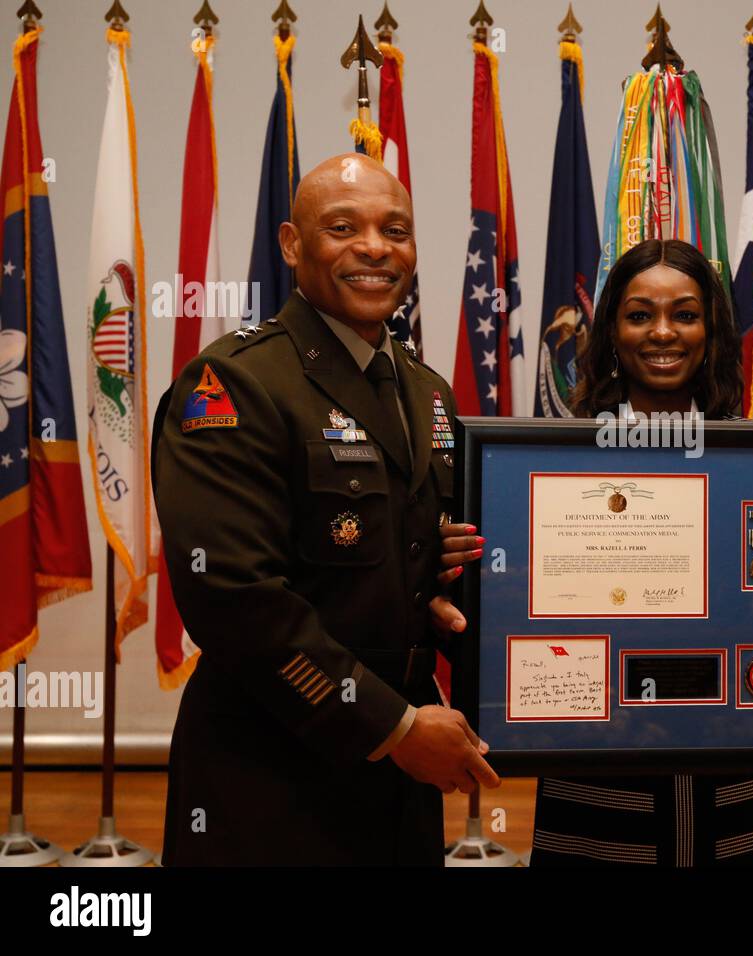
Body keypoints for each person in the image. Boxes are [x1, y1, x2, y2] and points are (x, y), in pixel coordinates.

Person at [152, 153, 499, 866]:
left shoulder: (427, 392)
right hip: (271, 769)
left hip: (402, 781)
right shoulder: (231, 384)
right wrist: (396, 728)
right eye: (344, 227)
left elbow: (411, 562)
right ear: (291, 244)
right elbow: (233, 598)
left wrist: (448, 590)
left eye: (394, 230)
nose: (375, 248)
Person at [447, 238, 753, 865]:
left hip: (743, 783)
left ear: (712, 330)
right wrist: (466, 567)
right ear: (611, 329)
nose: (662, 333)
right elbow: (510, 616)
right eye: (640, 314)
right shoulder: (549, 467)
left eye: (685, 314)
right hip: (597, 785)